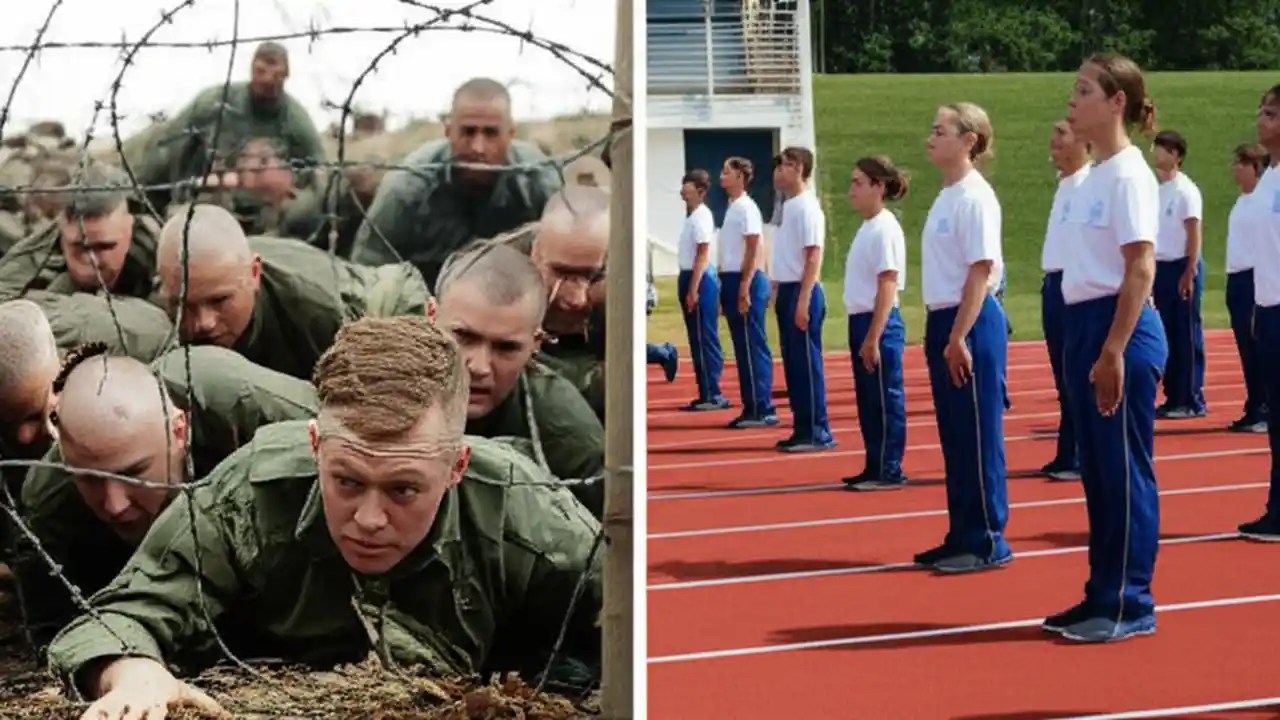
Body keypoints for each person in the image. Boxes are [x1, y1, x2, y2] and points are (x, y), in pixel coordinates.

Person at [46, 315, 602, 719]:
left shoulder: (522, 510)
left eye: (404, 489)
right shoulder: (254, 492)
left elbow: (623, 620)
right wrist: (134, 672)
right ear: (315, 445)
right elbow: (120, 612)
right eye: (347, 481)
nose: (368, 518)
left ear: (457, 465)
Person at [14, 343, 319, 644]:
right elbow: (53, 632)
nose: (115, 505)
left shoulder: (238, 403)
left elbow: (349, 439)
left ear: (179, 431)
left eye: (133, 473)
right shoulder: (48, 501)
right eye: (90, 480)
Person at [1041, 52, 1168, 642]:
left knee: (1123, 471)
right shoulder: (1094, 177)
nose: (1074, 98)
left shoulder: (1130, 175)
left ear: (1117, 102)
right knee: (1098, 471)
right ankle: (1101, 591)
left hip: (1120, 327)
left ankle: (1129, 601)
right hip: (1085, 321)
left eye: (1085, 89)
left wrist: (1113, 350)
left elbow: (1140, 267)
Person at [434, 241, 605, 516]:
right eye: (463, 337)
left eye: (506, 348)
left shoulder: (564, 429)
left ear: (535, 344)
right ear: (432, 316)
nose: (479, 368)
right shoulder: (382, 381)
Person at [915, 102, 1012, 574]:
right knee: (955, 437)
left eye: (940, 130)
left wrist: (958, 336)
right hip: (946, 320)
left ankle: (988, 539)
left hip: (969, 322)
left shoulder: (975, 197)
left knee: (977, 433)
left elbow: (980, 271)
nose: (930, 138)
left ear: (969, 140)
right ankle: (962, 533)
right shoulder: (947, 195)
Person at [351, 78, 564, 287]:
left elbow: (571, 261)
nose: (478, 148)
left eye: (491, 133)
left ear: (510, 134)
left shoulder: (537, 183)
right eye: (468, 132)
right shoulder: (408, 188)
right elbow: (368, 271)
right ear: (448, 132)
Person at [130, 41, 326, 216]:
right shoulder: (215, 101)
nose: (265, 73)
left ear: (285, 74)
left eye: (273, 65)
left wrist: (295, 209)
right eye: (261, 65)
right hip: (206, 196)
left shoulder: (295, 120)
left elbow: (319, 172)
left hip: (265, 207)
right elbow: (171, 144)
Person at [841, 156, 910, 491]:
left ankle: (889, 467)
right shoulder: (868, 227)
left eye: (858, 183)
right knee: (868, 400)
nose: (851, 190)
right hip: (862, 320)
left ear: (878, 187)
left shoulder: (884, 228)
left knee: (884, 398)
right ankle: (874, 462)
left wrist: (873, 336)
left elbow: (887, 282)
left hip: (877, 322)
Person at [0, 163, 161, 300]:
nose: (92, 260)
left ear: (129, 229)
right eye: (80, 248)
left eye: (103, 247)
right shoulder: (26, 264)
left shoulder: (160, 253)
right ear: (61, 230)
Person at [770, 148, 835, 452]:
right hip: (788, 288)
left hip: (802, 289)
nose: (777, 172)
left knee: (807, 365)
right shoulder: (790, 206)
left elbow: (813, 256)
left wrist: (804, 299)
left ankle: (816, 430)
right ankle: (802, 426)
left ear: (798, 169)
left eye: (783, 166)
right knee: (794, 365)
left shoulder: (807, 208)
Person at [529, 186, 611, 419]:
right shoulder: (492, 279)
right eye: (562, 273)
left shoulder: (625, 278)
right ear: (536, 252)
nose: (577, 299)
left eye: (593, 275)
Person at [1039, 119, 1092, 481]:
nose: (1054, 141)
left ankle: (1079, 454)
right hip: (1054, 284)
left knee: (1076, 372)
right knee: (1062, 373)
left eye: (1062, 135)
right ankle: (1067, 450)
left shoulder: (1090, 184)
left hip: (1075, 284)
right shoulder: (1065, 186)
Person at [1239, 83, 1280, 541]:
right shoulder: (1268, 177)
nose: (1262, 120)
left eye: (1271, 113)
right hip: (1269, 309)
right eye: (1261, 111)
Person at [1150, 130, 1206, 419]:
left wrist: (1190, 270)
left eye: (1164, 149)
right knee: (1168, 334)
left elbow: (1193, 231)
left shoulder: (1186, 190)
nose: (1157, 153)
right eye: (1156, 147)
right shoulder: (1158, 191)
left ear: (1177, 156)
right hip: (1161, 267)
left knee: (1185, 334)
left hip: (1182, 264)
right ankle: (1174, 397)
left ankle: (1191, 398)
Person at [717, 157, 777, 427]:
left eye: (727, 172)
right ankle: (751, 404)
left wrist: (744, 284)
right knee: (742, 346)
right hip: (733, 278)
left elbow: (754, 246)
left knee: (753, 344)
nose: (722, 176)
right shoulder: (733, 208)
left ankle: (762, 407)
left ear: (741, 176)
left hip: (746, 279)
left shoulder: (746, 208)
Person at [1224, 144, 1269, 434]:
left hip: (1254, 278)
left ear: (1256, 168)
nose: (1235, 169)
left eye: (1241, 163)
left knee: (1257, 346)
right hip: (1236, 278)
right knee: (1245, 346)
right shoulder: (1242, 201)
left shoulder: (1263, 201)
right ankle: (1254, 404)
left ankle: (1264, 407)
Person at [676, 169, 728, 412]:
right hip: (689, 276)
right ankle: (706, 390)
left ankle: (712, 392)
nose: (683, 190)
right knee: (696, 338)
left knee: (705, 336)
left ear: (700, 190)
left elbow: (702, 254)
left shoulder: (701, 217)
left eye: (688, 186)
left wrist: (693, 289)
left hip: (699, 278)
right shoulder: (692, 216)